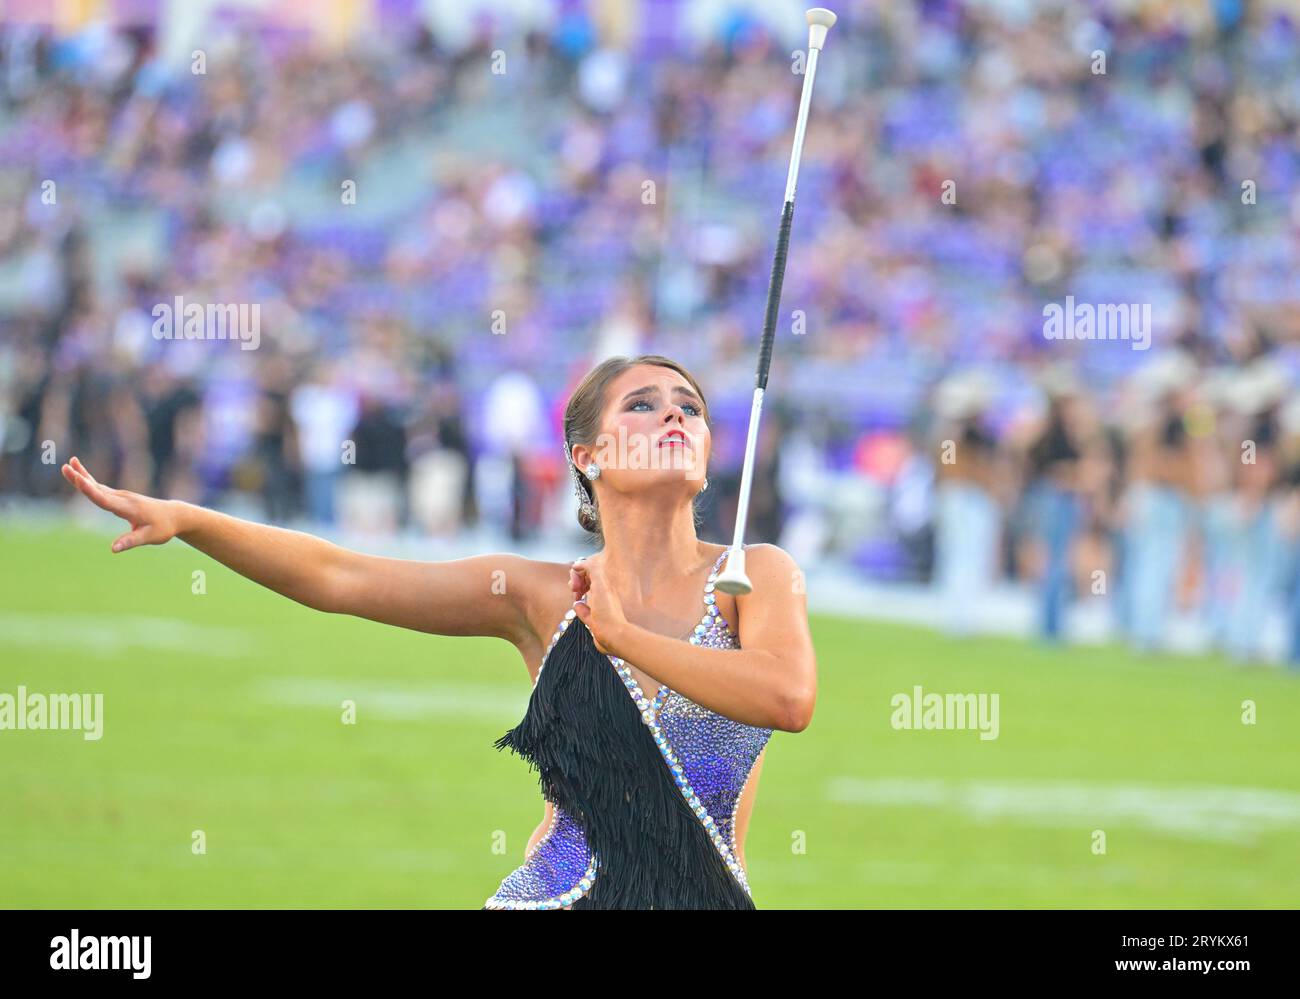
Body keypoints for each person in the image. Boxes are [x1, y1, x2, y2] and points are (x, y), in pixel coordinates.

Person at [60, 353, 816, 910]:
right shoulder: (538, 595)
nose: (676, 414)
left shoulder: (756, 577)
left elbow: (787, 696)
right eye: (643, 405)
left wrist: (624, 637)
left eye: (689, 405)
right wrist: (189, 519)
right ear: (587, 458)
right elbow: (341, 578)